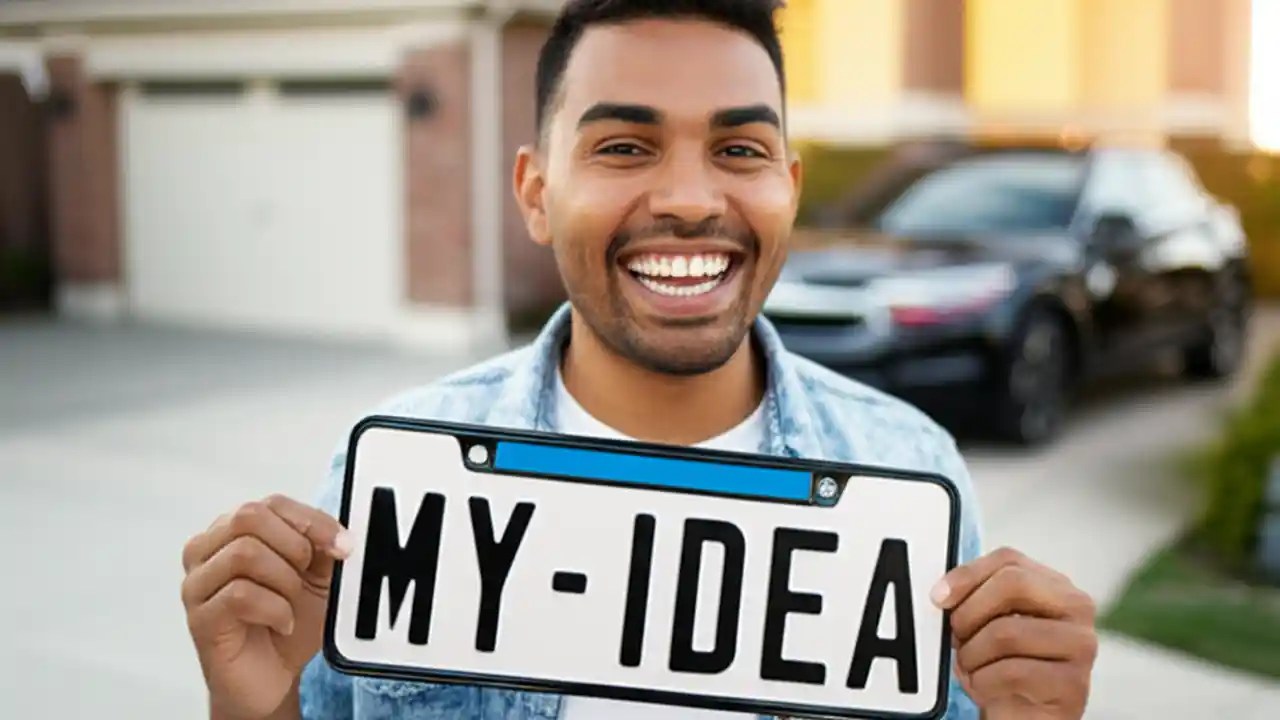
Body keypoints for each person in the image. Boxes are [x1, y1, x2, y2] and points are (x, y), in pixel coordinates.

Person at [180, 1, 1099, 718]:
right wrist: (250, 706)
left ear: (788, 188)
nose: (692, 200)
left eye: (739, 148)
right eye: (625, 147)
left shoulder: (909, 470)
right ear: (536, 194)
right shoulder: (395, 468)